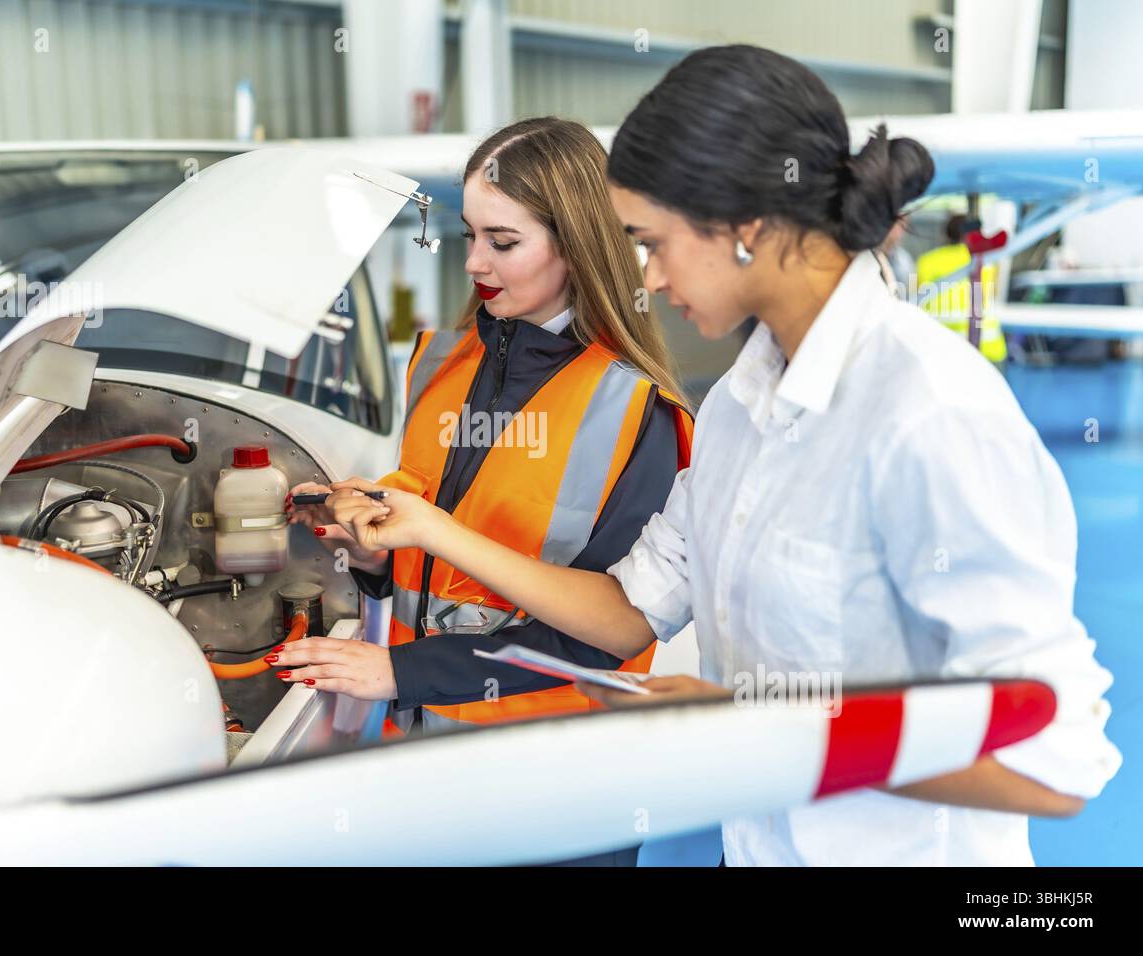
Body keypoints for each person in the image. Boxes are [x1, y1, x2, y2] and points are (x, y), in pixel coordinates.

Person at [297, 46, 1122, 866]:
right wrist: (432, 532)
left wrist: (760, 732)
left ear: (745, 228)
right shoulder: (737, 410)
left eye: (653, 243)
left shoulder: (931, 413)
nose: (646, 279)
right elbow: (627, 610)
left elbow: (1048, 762)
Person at [284, 118, 694, 744]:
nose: (474, 261)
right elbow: (447, 577)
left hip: (554, 773)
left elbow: (609, 633)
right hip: (422, 744)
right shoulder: (440, 367)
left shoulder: (638, 411)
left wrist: (403, 669)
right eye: (470, 235)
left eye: (503, 242)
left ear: (576, 245)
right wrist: (374, 555)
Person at [916, 213, 1008, 361]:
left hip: (945, 351)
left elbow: (918, 302)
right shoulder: (988, 261)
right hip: (990, 349)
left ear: (946, 234)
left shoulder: (927, 262)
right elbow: (994, 292)